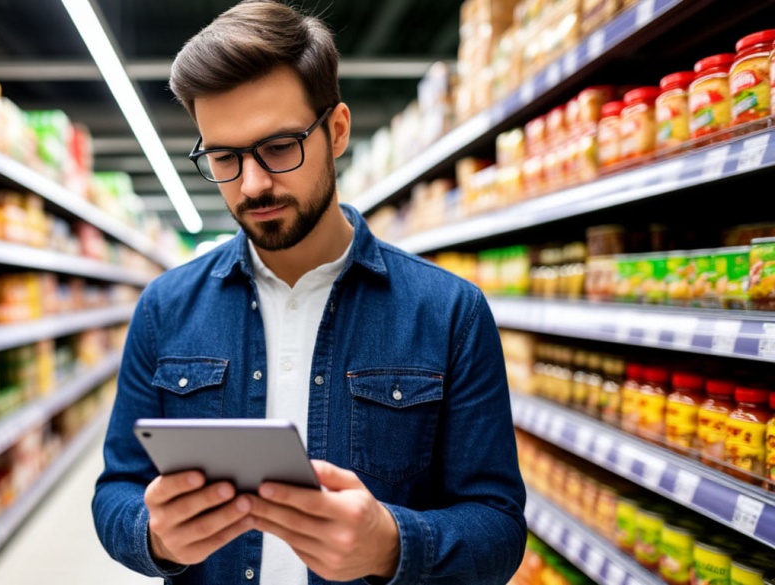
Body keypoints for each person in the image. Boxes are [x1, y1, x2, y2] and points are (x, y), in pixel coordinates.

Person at [92, 1, 527, 583]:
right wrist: (153, 536)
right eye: (223, 157)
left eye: (278, 147)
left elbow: (498, 527)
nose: (252, 184)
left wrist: (391, 545)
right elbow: (117, 488)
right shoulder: (165, 309)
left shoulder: (451, 313)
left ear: (337, 130)